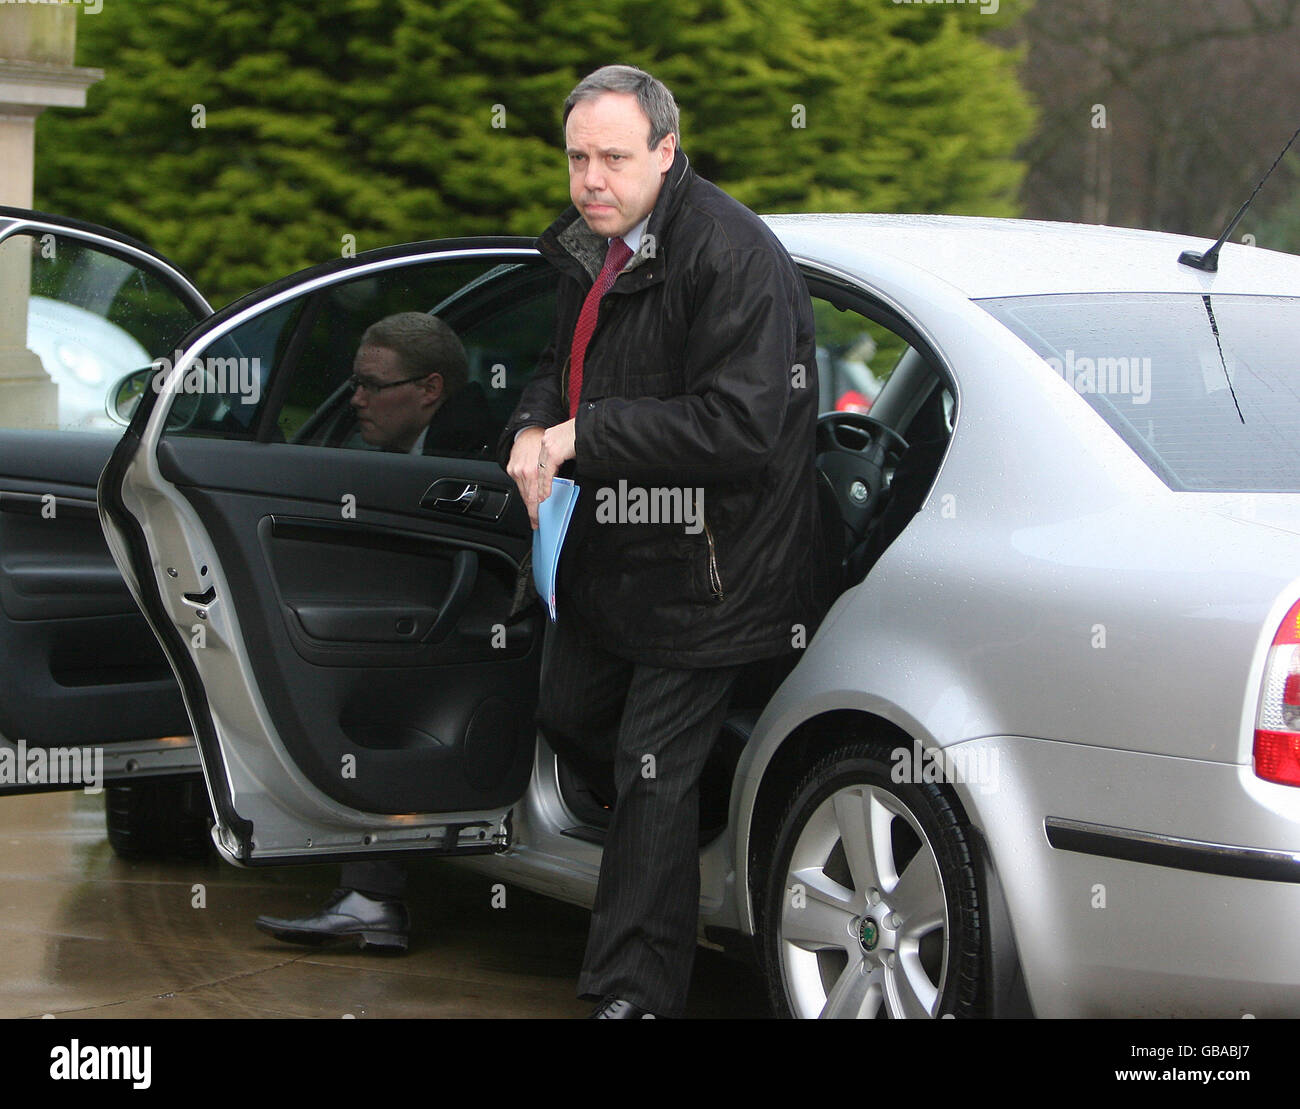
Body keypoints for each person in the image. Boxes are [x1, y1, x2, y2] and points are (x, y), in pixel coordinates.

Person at [501, 65, 827, 1018]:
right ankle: (700, 824)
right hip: (614, 558)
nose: (591, 179)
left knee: (648, 770)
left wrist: (582, 437)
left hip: (716, 567)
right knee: (568, 709)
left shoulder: (731, 255)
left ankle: (633, 992)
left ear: (667, 152)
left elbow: (738, 426)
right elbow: (560, 370)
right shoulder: (589, 245)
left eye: (613, 158)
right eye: (577, 158)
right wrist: (533, 424)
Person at [254, 311, 492, 953]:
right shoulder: (410, 451)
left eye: (371, 385)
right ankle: (368, 895)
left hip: (488, 636)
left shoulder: (472, 449)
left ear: (430, 389)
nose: (355, 398)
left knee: (371, 694)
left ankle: (371, 899)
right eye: (354, 383)